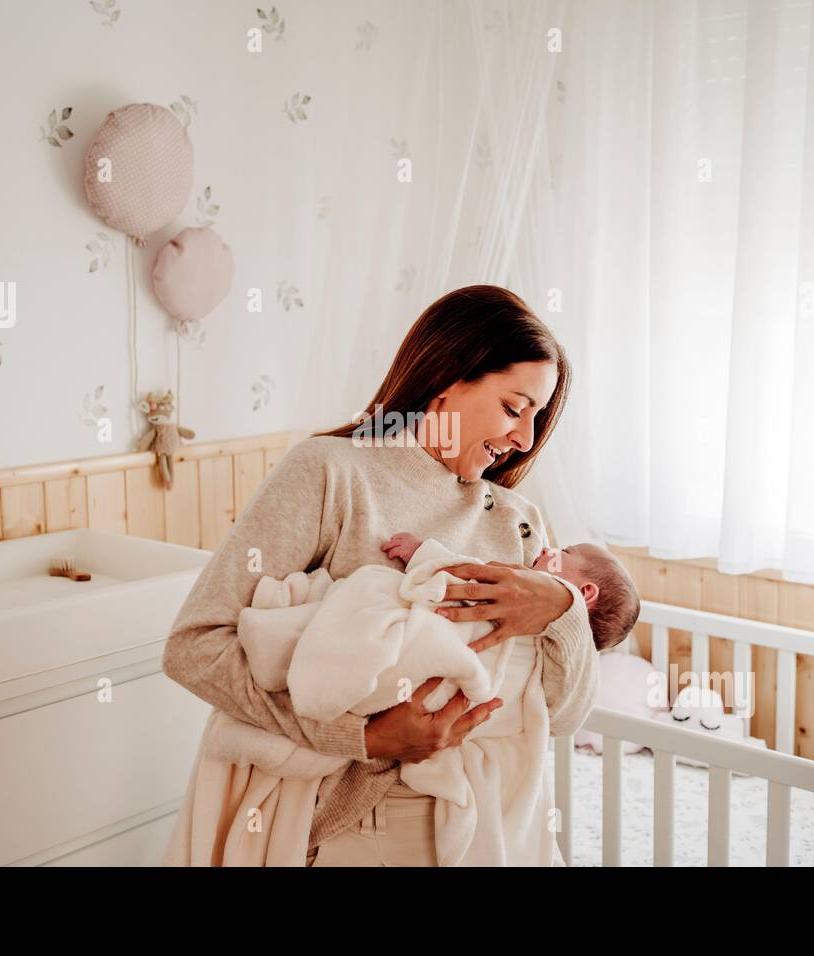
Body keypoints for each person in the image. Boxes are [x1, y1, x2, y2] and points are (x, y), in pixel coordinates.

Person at [161, 284, 600, 866]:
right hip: (355, 826)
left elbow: (561, 718)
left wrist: (563, 612)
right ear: (448, 377)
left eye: (537, 418)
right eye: (514, 408)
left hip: (484, 823)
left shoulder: (519, 524)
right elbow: (194, 647)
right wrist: (359, 738)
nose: (525, 438)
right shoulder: (331, 473)